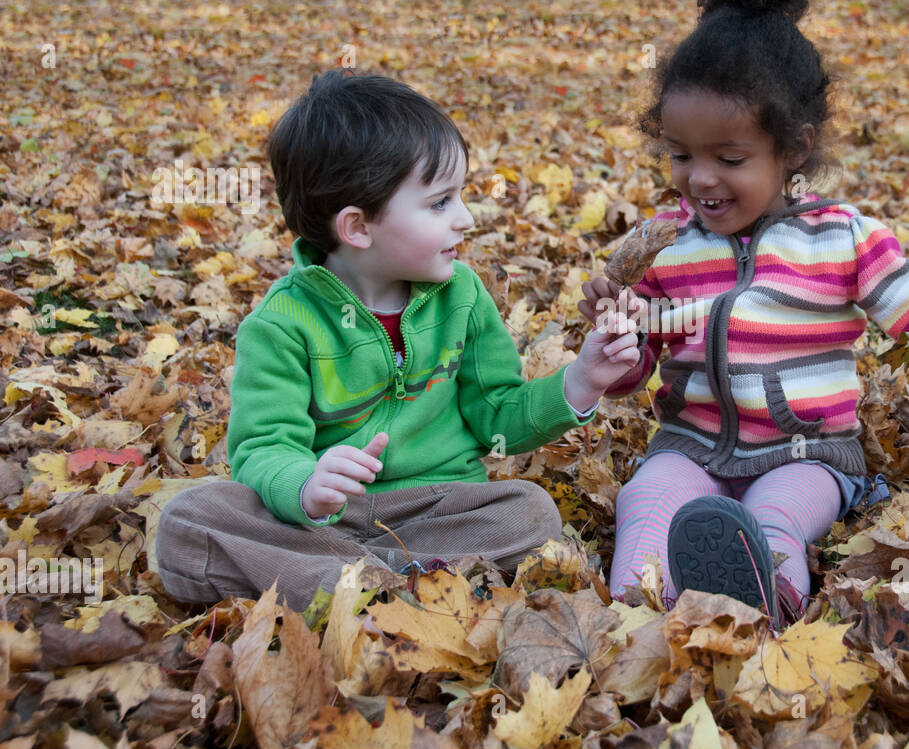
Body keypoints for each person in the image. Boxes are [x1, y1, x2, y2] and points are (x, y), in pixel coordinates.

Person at [578, 0, 909, 628]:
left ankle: (769, 600)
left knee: (774, 514)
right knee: (646, 498)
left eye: (729, 158)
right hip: (690, 446)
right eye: (681, 155)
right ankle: (640, 613)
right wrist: (618, 340)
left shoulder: (840, 237)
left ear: (793, 148)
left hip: (807, 454)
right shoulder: (666, 246)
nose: (700, 178)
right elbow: (633, 373)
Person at [155, 70, 641, 612]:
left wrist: (579, 382)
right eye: (439, 203)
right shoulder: (283, 323)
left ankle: (356, 589)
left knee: (530, 513)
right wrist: (305, 486)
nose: (466, 218)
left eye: (461, 196)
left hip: (441, 510)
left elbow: (498, 415)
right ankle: (392, 585)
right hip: (317, 521)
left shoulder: (461, 296)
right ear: (358, 228)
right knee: (187, 523)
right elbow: (263, 448)